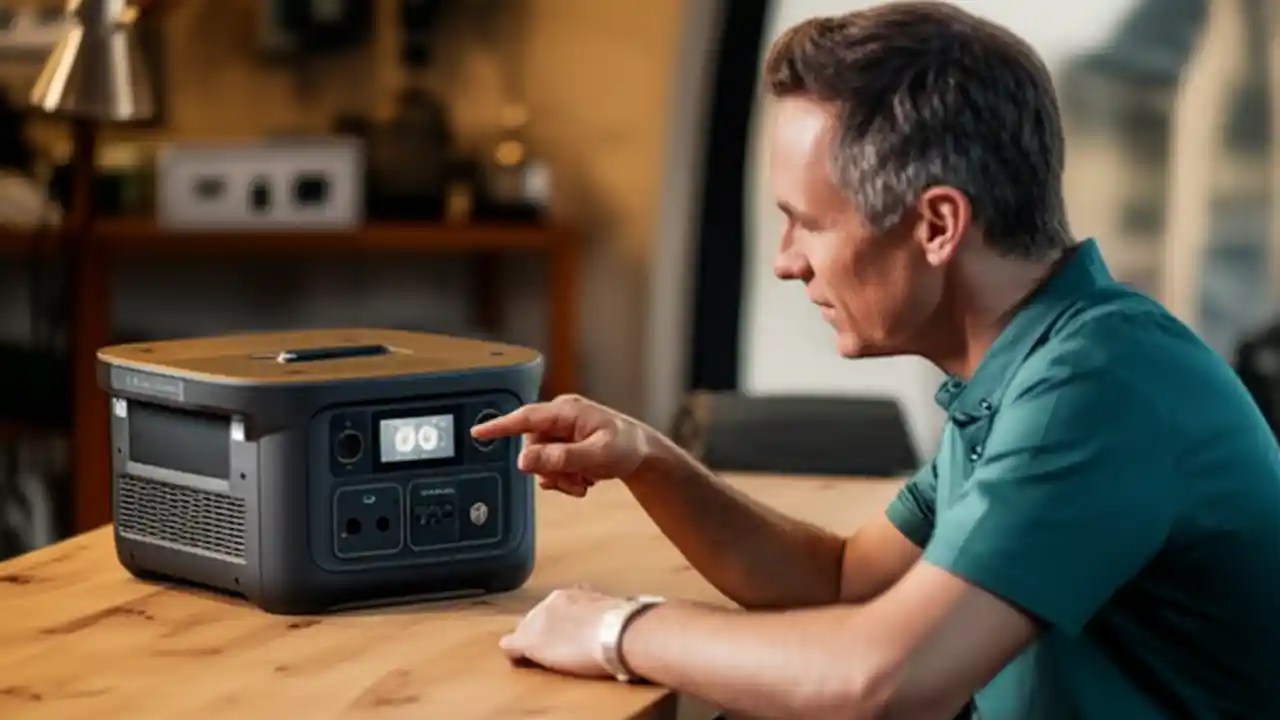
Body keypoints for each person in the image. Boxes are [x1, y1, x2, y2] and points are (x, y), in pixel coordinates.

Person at [471, 2, 1280, 718]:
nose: (787, 261)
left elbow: (885, 679)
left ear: (937, 226)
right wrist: (650, 459)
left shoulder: (1099, 385)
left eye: (809, 223)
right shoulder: (1029, 365)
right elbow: (848, 579)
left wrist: (618, 628)